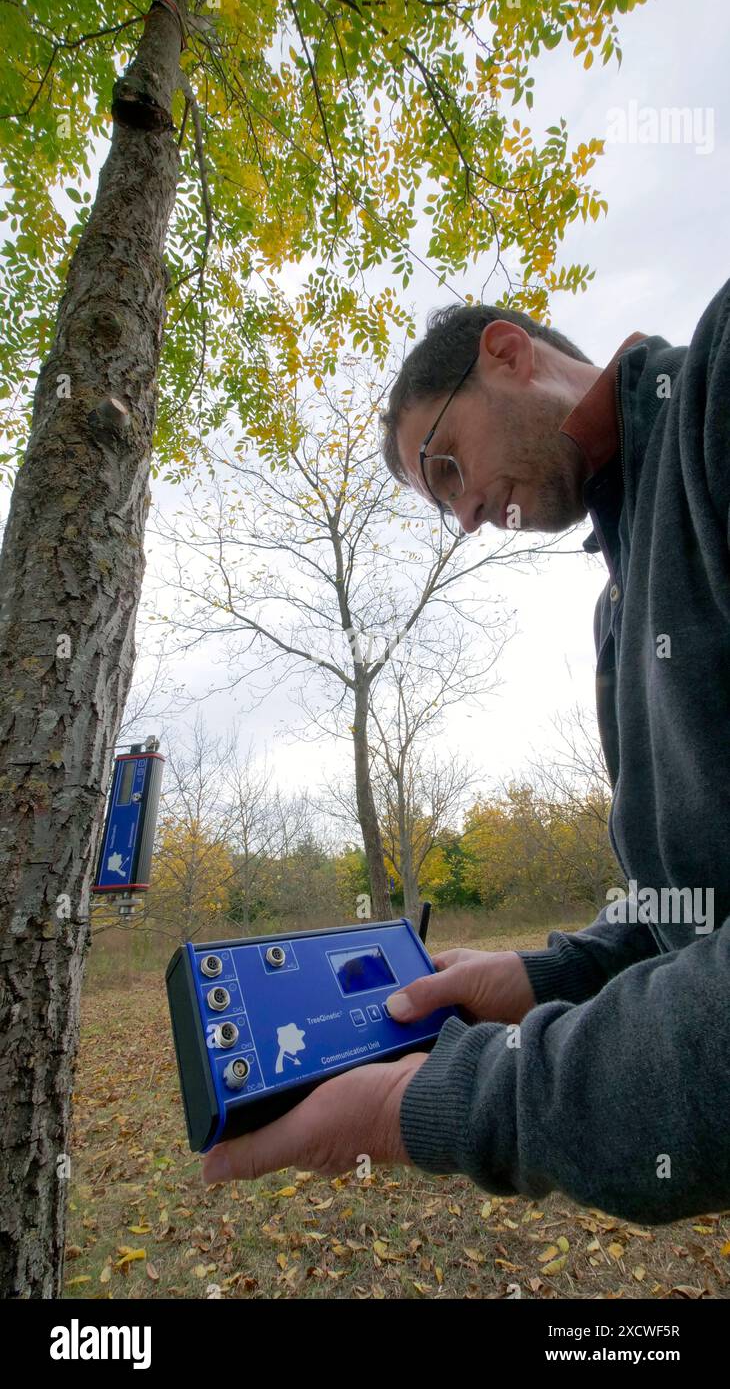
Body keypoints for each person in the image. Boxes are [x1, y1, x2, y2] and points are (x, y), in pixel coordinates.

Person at [202, 280, 730, 1225]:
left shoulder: (715, 393)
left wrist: (436, 1108)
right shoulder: (618, 619)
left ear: (506, 353)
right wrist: (540, 976)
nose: (465, 519)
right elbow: (685, 923)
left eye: (445, 468)